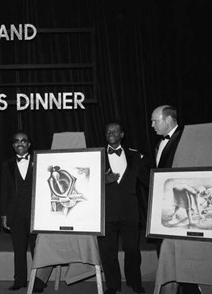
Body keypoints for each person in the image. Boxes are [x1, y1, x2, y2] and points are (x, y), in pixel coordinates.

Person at [151, 105, 200, 294]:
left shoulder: (187, 139)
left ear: (169, 119)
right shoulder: (159, 143)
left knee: (184, 255)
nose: (152, 125)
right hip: (165, 206)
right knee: (166, 253)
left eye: (156, 120)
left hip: (181, 205)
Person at [98, 121, 148, 294]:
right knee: (107, 252)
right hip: (106, 213)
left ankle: (134, 282)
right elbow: (85, 184)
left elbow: (148, 180)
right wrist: (102, 181)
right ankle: (112, 285)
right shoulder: (96, 156)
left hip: (130, 212)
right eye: (108, 131)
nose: (111, 133)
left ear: (122, 135)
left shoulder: (135, 156)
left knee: (133, 250)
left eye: (115, 131)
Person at [1, 131, 45, 292]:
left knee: (37, 249)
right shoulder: (7, 165)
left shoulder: (40, 161)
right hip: (16, 214)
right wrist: (4, 214)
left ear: (29, 144)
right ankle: (19, 280)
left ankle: (38, 282)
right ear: (13, 145)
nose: (20, 143)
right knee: (18, 249)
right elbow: (4, 191)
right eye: (17, 141)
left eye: (24, 141)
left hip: (35, 214)